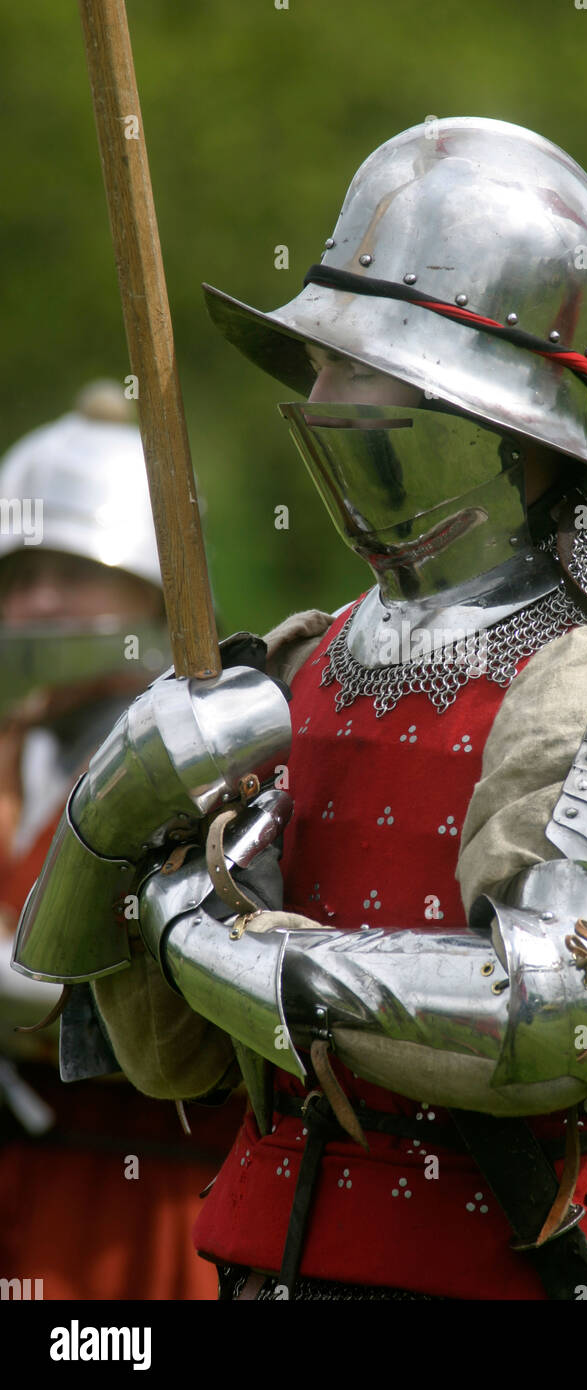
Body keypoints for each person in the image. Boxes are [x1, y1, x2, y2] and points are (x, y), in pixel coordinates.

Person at [13, 120, 587, 1301]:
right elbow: (141, 1043)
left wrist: (200, 938)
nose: (318, 392)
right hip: (267, 1262)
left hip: (524, 1266)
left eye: (356, 364)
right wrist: (117, 809)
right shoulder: (307, 660)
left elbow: (562, 1013)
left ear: (478, 402)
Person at [0, 382, 243, 1300]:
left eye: (70, 573)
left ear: (148, 583)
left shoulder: (204, 765)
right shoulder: (8, 746)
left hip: (149, 1209)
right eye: (21, 579)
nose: (39, 603)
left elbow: (181, 1004)